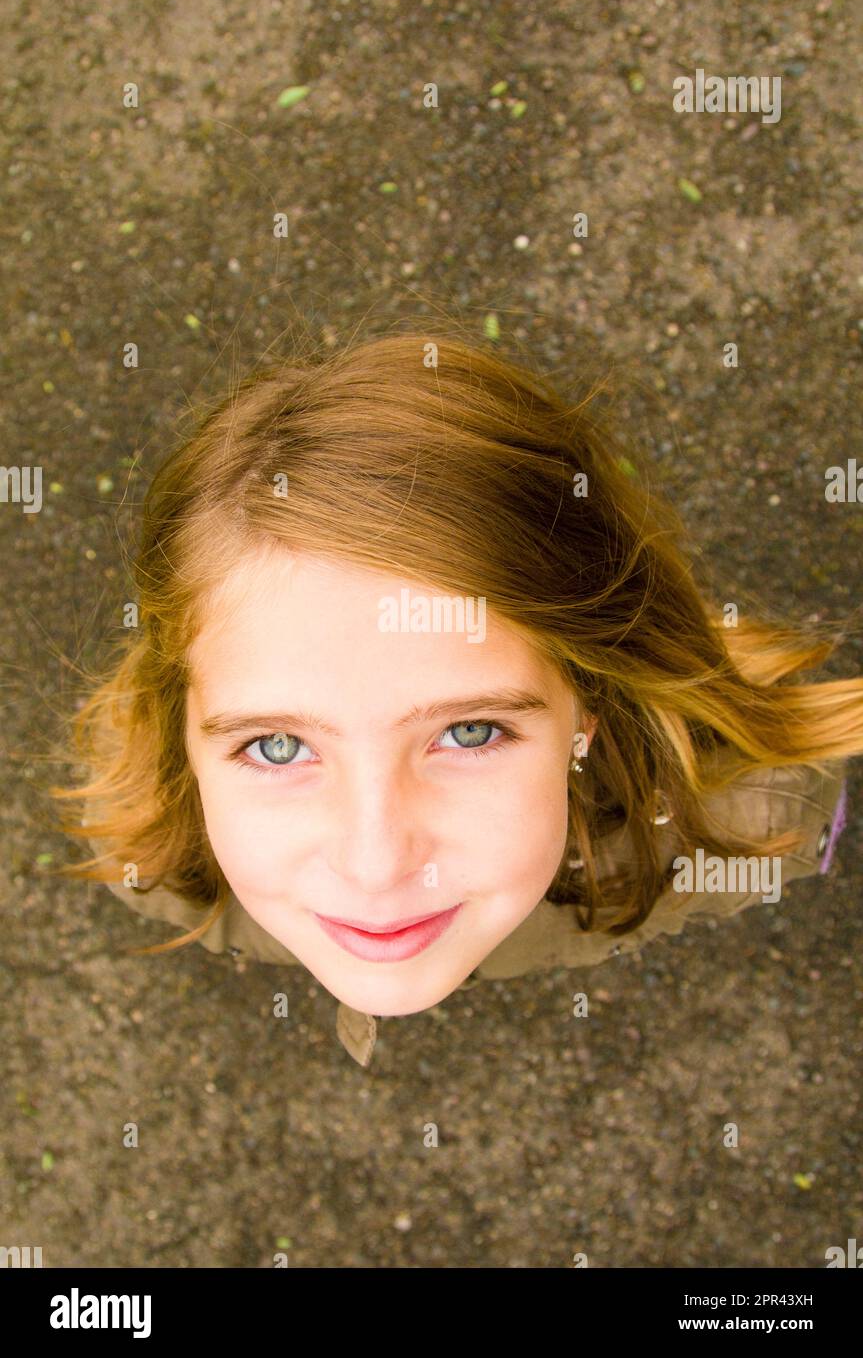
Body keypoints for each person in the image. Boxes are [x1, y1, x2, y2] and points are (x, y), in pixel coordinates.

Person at [51, 329, 859, 1066]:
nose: (375, 867)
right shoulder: (151, 861)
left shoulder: (750, 822)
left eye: (469, 732)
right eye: (277, 746)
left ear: (590, 703)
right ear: (180, 731)